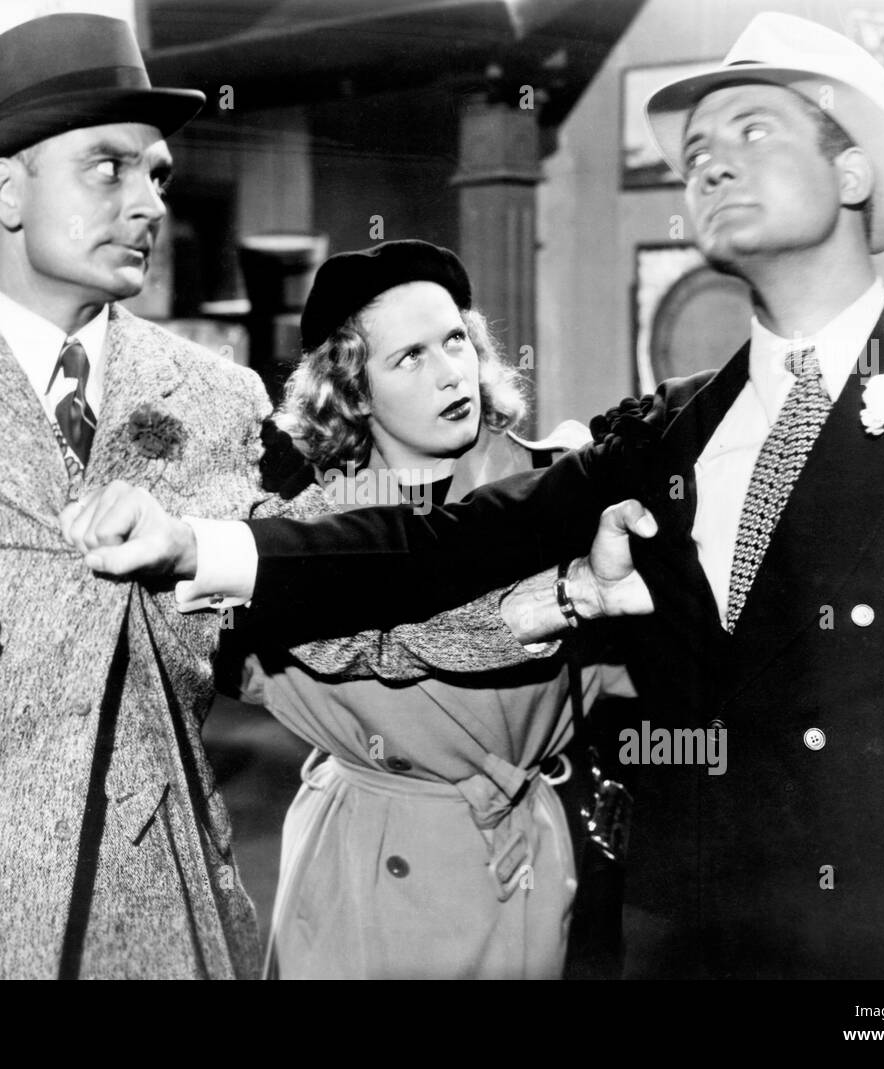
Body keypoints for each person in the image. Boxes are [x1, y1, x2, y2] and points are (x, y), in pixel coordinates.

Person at [65, 14, 884, 979]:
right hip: (686, 938)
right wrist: (199, 548)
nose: (712, 164)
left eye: (755, 131)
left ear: (855, 174)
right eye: (696, 151)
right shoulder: (662, 431)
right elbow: (434, 550)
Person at [0, 13, 545, 980]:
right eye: (108, 168)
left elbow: (329, 606)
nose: (150, 201)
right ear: (7, 190)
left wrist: (542, 604)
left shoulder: (215, 398)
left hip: (170, 915)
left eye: (157, 173)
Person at [231, 239, 628, 978]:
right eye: (409, 357)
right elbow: (255, 665)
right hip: (366, 852)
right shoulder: (304, 537)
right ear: (352, 391)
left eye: (455, 340)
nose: (452, 373)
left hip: (522, 853)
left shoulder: (561, 491)